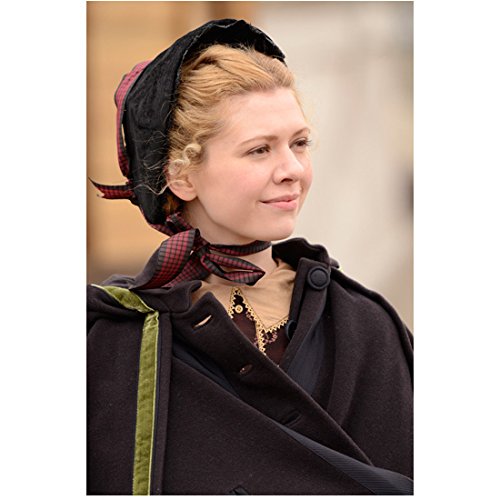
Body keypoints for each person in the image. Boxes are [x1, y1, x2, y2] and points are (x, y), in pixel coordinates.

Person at [87, 19, 413, 495]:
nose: (292, 170)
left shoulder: (367, 326)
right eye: (259, 150)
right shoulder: (114, 343)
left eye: (299, 143)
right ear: (181, 177)